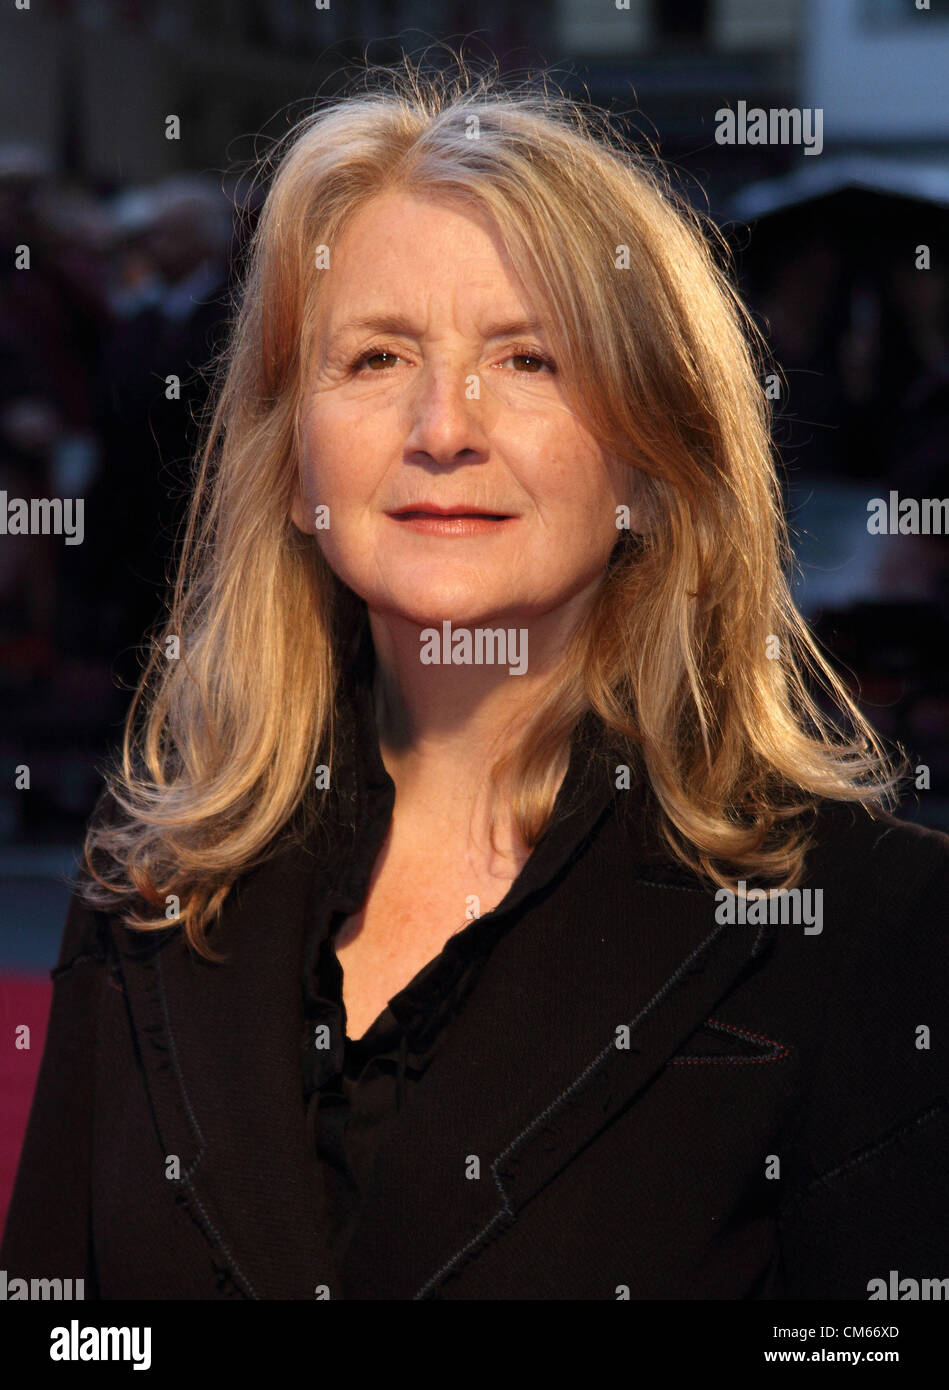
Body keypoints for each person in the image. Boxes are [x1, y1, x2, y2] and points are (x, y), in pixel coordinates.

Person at [3, 62, 947, 1301]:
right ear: (294, 464)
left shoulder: (867, 921)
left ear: (651, 464)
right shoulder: (150, 883)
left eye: (529, 360)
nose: (442, 426)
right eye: (377, 356)